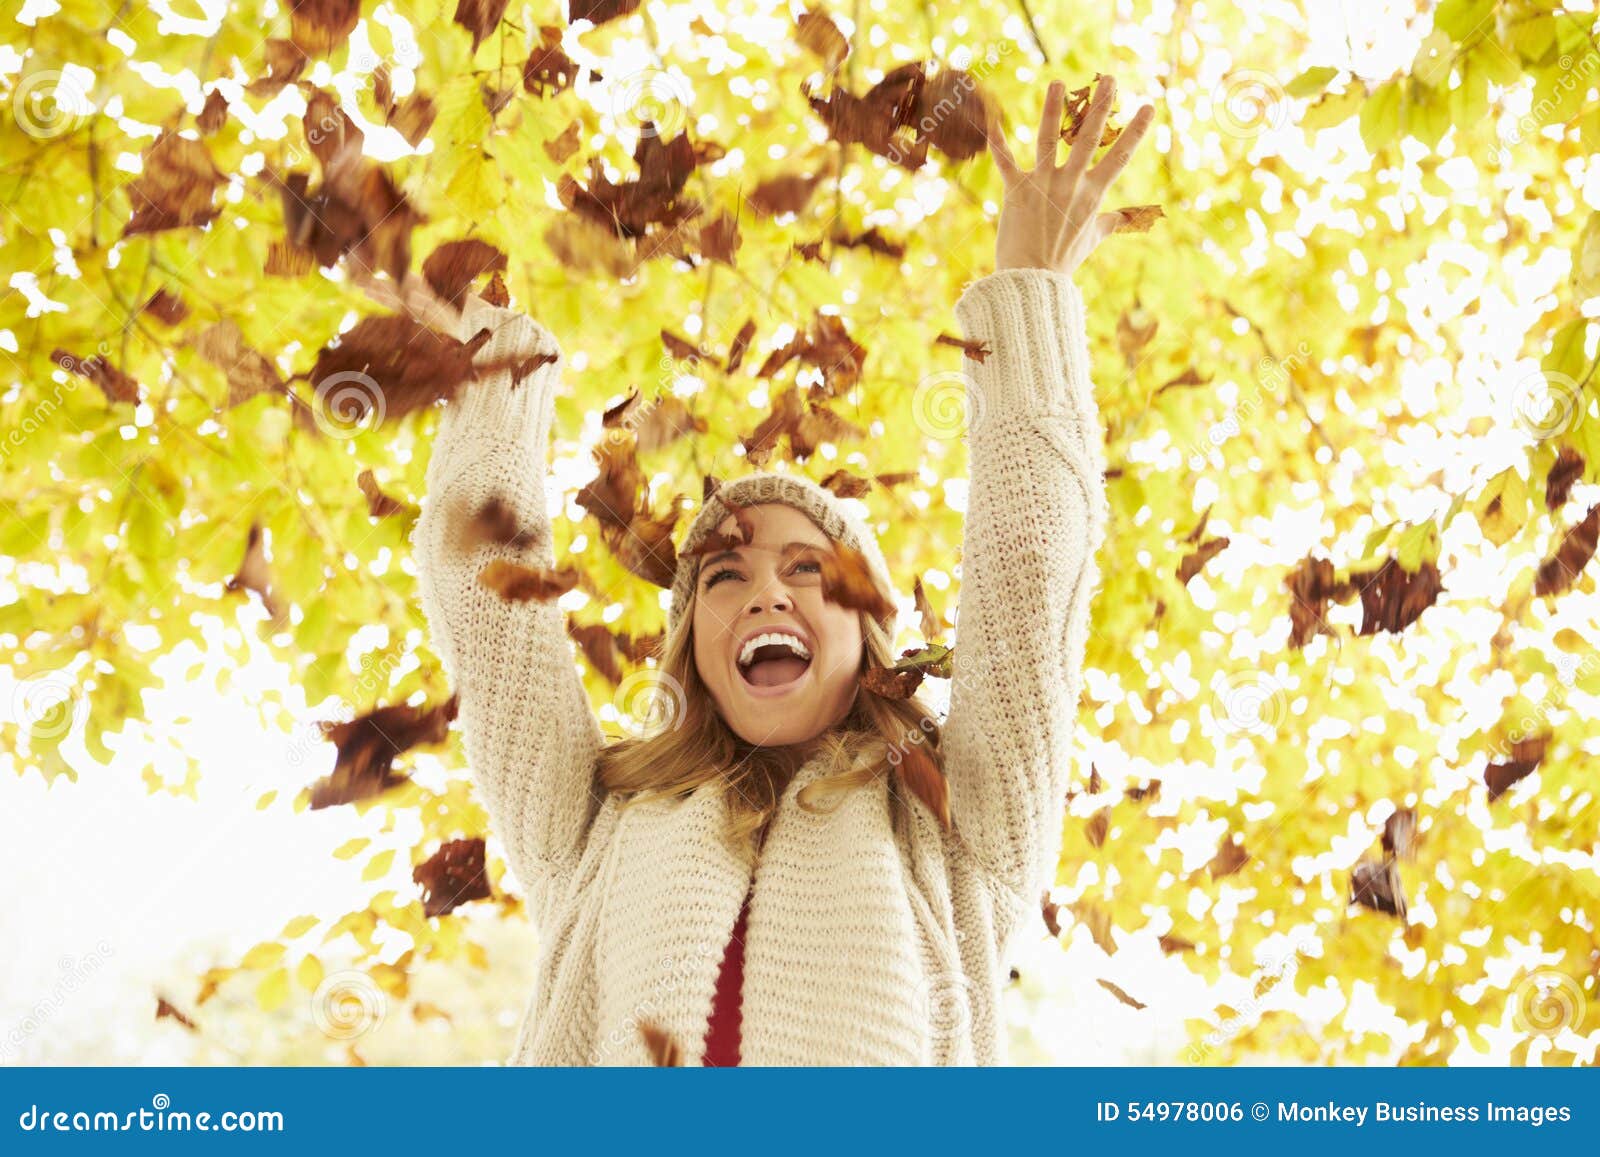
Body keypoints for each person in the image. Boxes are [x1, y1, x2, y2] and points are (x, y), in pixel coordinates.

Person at [395, 73, 1153, 1065]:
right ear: (694, 650)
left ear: (866, 632)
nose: (767, 590)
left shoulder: (956, 823)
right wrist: (491, 367)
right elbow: (486, 599)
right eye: (722, 575)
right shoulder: (597, 823)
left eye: (809, 568)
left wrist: (1030, 284)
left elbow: (1029, 559)